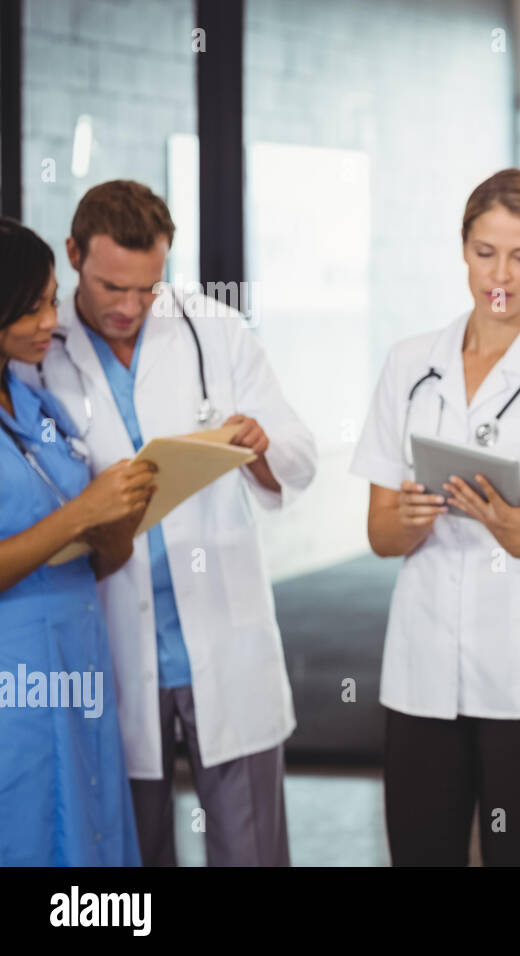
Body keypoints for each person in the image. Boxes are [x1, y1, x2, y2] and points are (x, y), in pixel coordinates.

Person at [20, 180, 318, 866]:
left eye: (147, 288)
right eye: (110, 287)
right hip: (110, 637)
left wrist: (259, 443)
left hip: (221, 627)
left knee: (252, 848)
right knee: (132, 853)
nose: (129, 307)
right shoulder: (40, 346)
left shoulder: (212, 327)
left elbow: (298, 451)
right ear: (72, 255)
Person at [352, 168, 520, 866]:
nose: (500, 274)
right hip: (422, 667)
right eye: (484, 252)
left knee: (515, 856)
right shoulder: (410, 364)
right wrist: (410, 519)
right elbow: (380, 533)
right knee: (420, 854)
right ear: (463, 248)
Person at [0, 217, 155, 865]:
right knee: (31, 827)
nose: (49, 320)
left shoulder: (37, 406)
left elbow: (97, 558)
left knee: (89, 834)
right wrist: (81, 513)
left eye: (51, 300)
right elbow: (64, 523)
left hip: (80, 661)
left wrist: (120, 519)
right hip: (17, 684)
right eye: (33, 306)